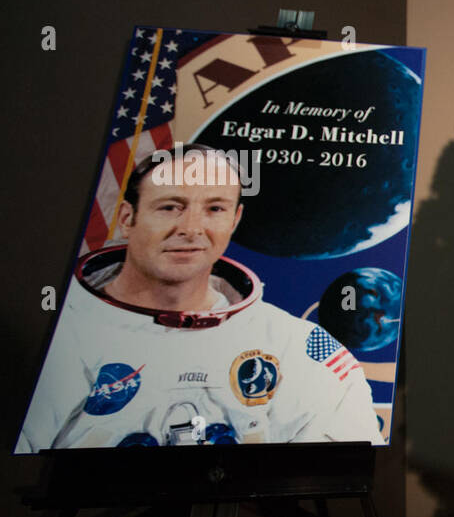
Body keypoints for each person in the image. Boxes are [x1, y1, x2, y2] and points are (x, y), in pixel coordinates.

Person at [16, 144, 383, 451]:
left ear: (235, 220)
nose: (191, 229)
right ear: (128, 217)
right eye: (170, 207)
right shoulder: (55, 332)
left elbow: (342, 462)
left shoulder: (294, 345)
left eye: (215, 209)